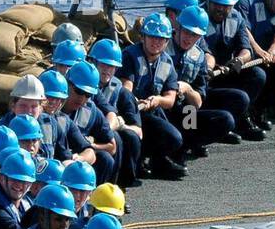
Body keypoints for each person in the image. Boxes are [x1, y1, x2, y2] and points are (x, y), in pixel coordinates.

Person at [168, 3, 259, 154]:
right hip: (163, 106)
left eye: (195, 35)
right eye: (187, 32)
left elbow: (198, 100)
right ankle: (169, 151)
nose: (189, 38)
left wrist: (188, 89)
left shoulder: (197, 56)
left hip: (186, 106)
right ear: (177, 27)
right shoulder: (164, 50)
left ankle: (188, 144)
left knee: (224, 117)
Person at [119, 13, 187, 181]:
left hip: (155, 110)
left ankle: (159, 159)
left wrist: (157, 100)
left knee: (187, 120)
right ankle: (139, 161)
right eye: (152, 37)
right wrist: (136, 102)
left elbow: (170, 99)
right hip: (131, 113)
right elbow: (125, 89)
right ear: (143, 36)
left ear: (167, 41)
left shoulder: (166, 62)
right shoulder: (129, 56)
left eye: (161, 39)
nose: (156, 42)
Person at [205, 0, 269, 131]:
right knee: (191, 109)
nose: (220, 9)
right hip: (205, 76)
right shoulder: (198, 18)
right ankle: (208, 127)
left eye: (225, 6)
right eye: (216, 4)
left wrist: (239, 60)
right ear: (207, 0)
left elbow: (246, 48)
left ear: (233, 5)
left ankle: (240, 117)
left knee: (257, 75)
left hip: (227, 71)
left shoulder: (236, 18)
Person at [89, 38, 145, 189]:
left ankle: (120, 188)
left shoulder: (119, 89)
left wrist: (121, 125)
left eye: (112, 67)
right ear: (93, 62)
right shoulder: (84, 84)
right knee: (115, 141)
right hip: (86, 130)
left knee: (130, 138)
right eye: (104, 64)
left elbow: (138, 131)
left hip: (107, 129)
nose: (108, 70)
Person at [62, 60, 118, 185]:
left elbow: (112, 146)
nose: (82, 98)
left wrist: (88, 148)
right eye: (79, 91)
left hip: (78, 159)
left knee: (106, 158)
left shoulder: (91, 110)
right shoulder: (53, 106)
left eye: (87, 94)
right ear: (67, 84)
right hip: (55, 159)